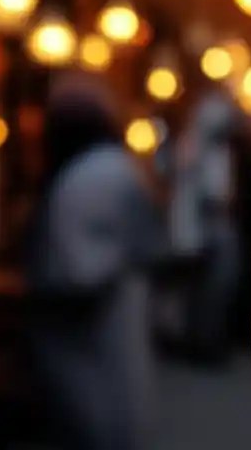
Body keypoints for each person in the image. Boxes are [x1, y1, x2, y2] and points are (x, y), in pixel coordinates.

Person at [24, 74, 159, 450]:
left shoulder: (92, 173)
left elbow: (76, 270)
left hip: (92, 317)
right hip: (111, 309)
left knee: (96, 415)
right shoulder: (112, 167)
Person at [168, 90, 241, 361]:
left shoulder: (210, 147)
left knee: (208, 290)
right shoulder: (203, 148)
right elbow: (214, 193)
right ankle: (203, 344)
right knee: (209, 289)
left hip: (202, 229)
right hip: (207, 228)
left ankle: (205, 341)